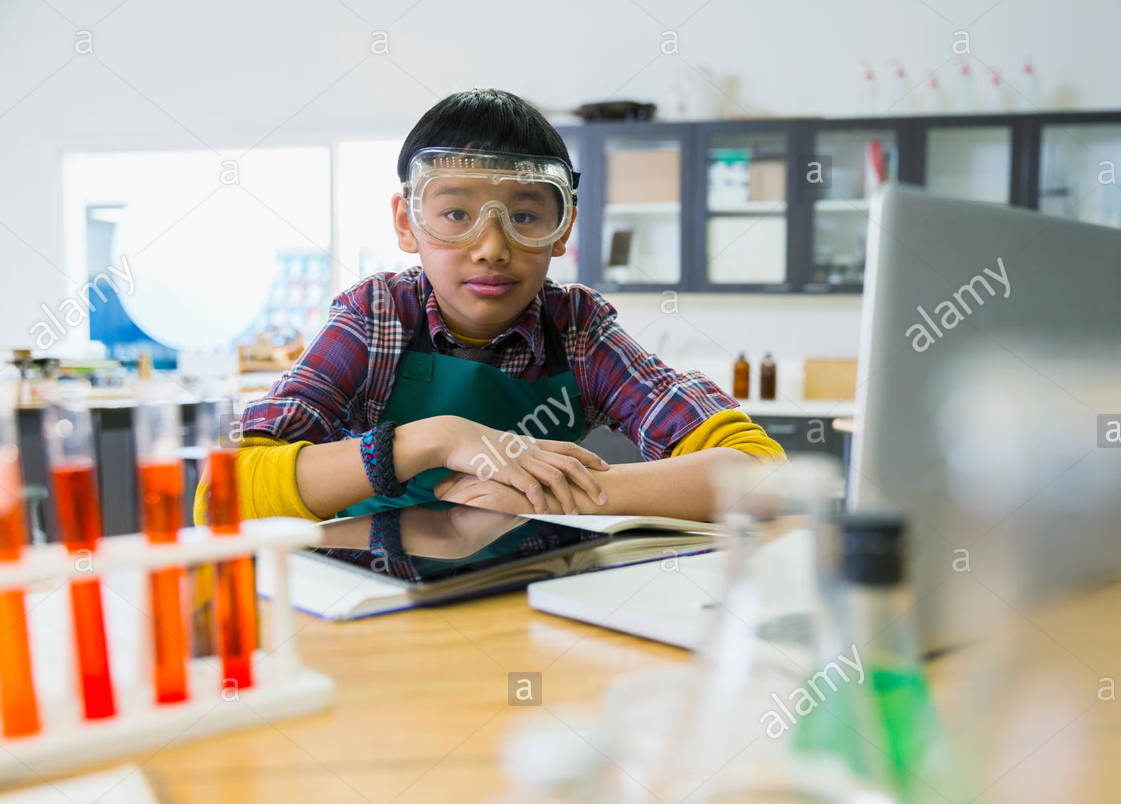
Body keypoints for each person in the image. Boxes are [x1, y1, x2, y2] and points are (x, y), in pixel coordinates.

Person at [195, 89, 783, 524]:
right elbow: (222, 497)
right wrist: (439, 439)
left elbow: (763, 477)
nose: (492, 247)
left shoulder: (576, 329)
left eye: (525, 216)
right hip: (372, 584)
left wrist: (553, 491)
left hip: (531, 584)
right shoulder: (376, 317)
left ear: (562, 229)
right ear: (408, 223)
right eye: (455, 214)